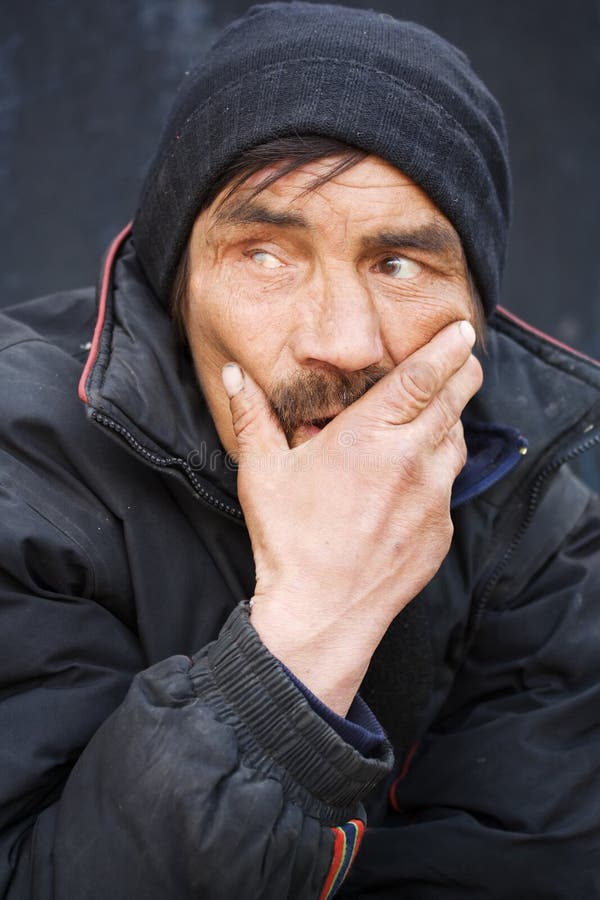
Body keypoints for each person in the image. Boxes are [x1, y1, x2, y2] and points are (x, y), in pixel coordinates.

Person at [1, 2, 599, 897]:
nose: (345, 342)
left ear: (474, 311)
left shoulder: (535, 529)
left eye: (400, 265)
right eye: (267, 255)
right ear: (178, 283)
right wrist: (311, 629)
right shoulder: (23, 466)